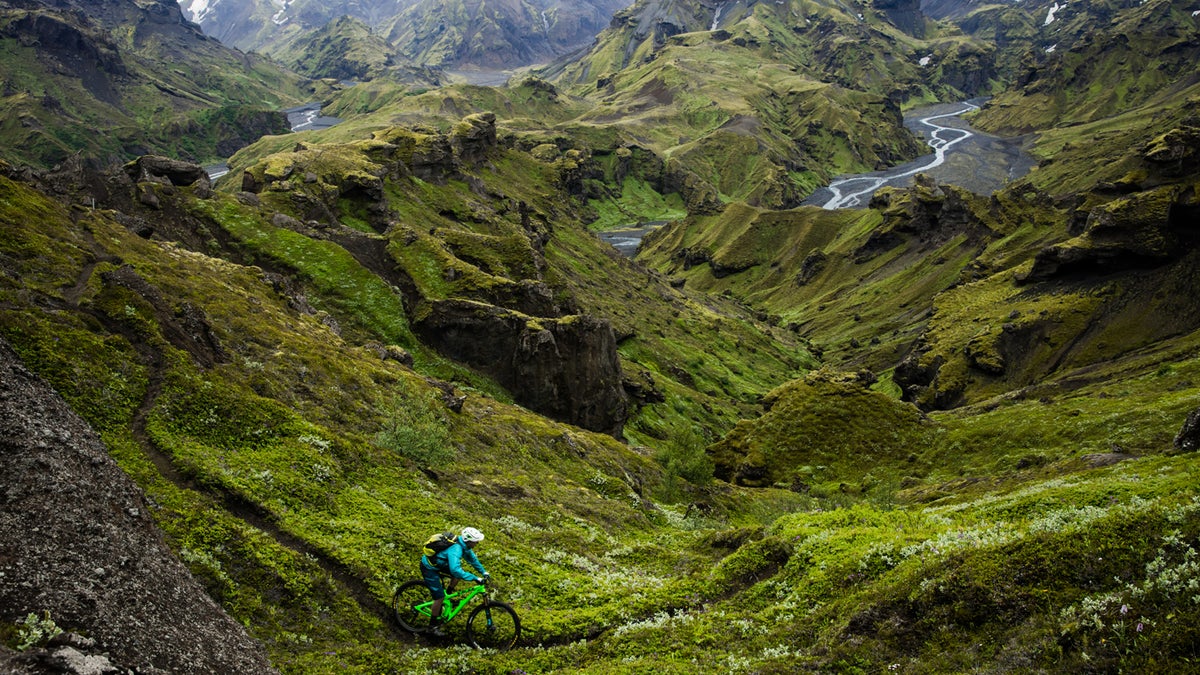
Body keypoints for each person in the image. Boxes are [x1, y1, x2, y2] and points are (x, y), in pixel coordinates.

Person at [421, 526, 489, 635]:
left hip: (440, 564)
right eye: (476, 541)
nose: (477, 544)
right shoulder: (456, 549)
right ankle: (432, 627)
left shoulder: (465, 546)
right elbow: (455, 570)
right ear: (469, 541)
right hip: (429, 567)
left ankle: (447, 596)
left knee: (455, 578)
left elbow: (472, 560)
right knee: (439, 597)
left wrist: (484, 572)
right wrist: (474, 578)